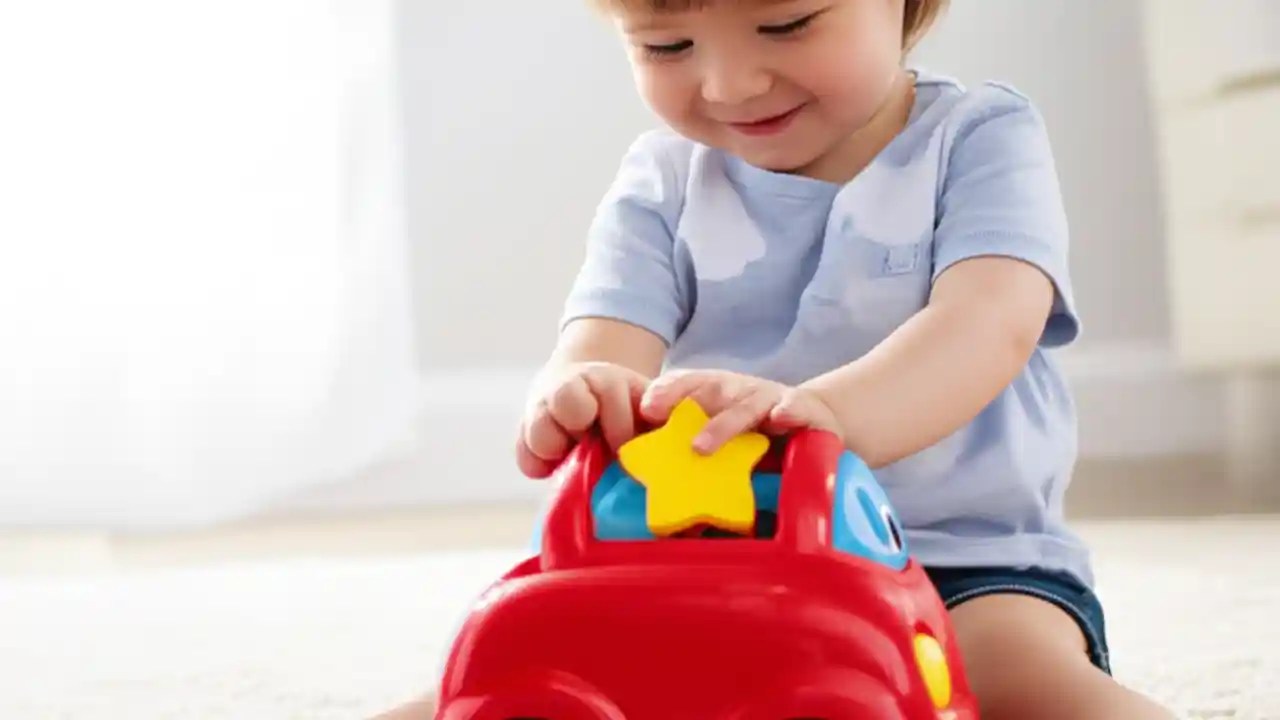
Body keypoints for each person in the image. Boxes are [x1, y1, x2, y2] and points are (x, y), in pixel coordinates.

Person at [382, 1, 1175, 717]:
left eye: (786, 25)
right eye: (667, 45)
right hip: (709, 562)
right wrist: (578, 392)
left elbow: (989, 322)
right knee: (500, 675)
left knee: (1021, 681)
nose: (729, 84)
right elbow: (602, 339)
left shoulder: (978, 138)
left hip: (958, 566)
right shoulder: (664, 181)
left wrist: (829, 416)